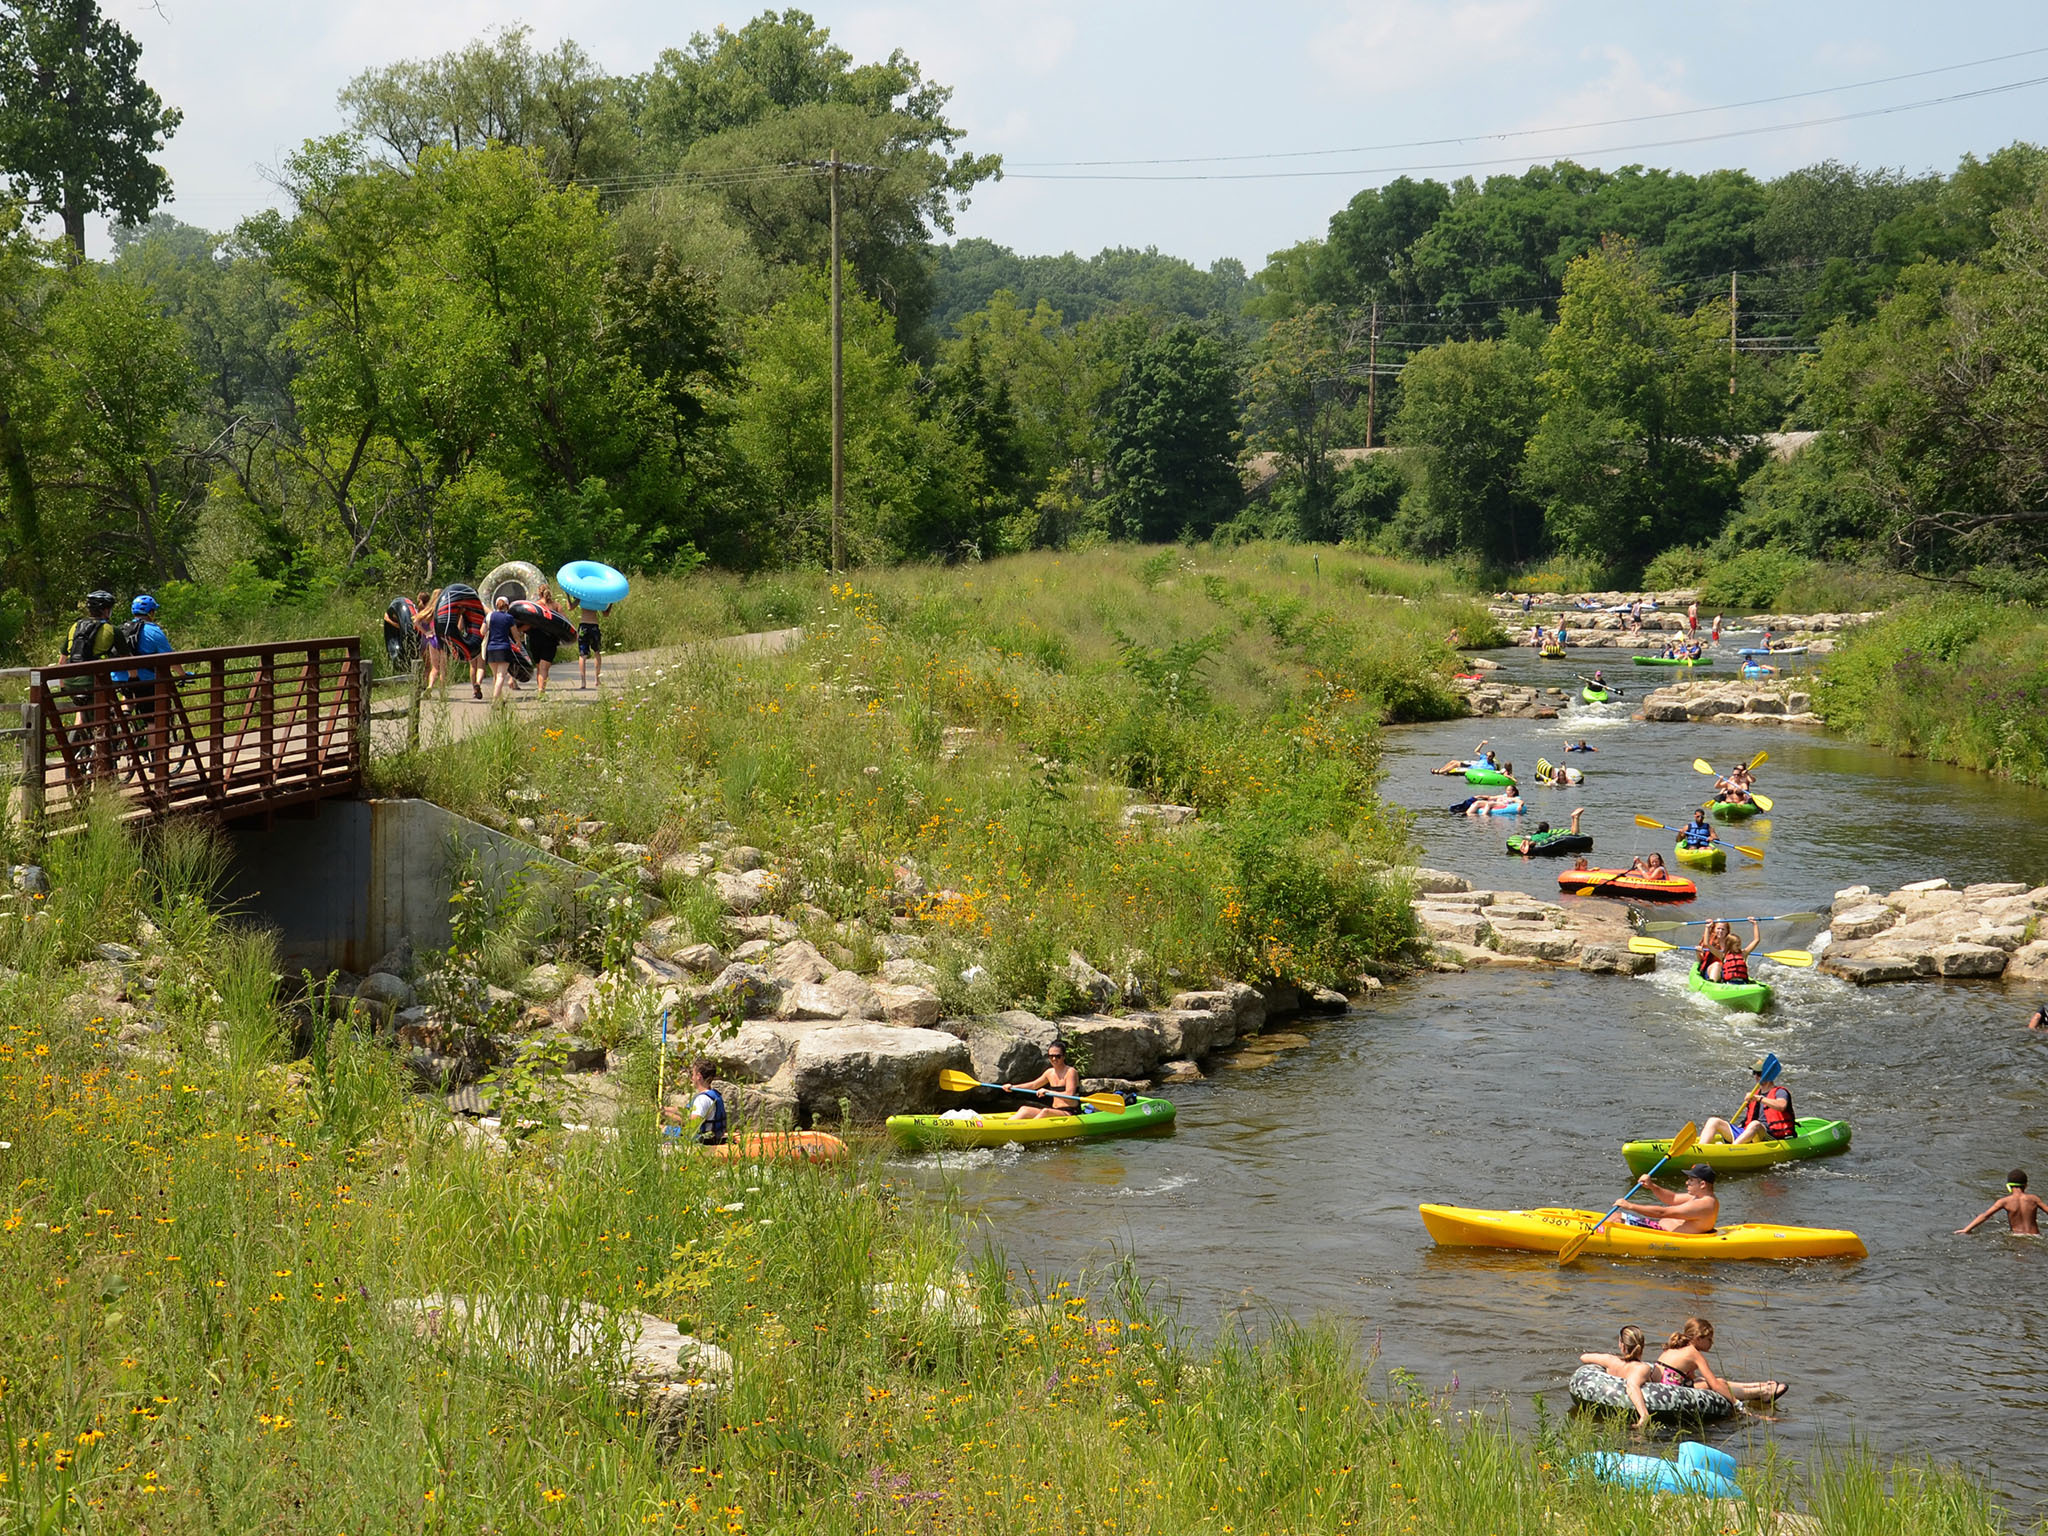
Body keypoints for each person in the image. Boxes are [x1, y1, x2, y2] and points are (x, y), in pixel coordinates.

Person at [1648, 1318, 1788, 1407]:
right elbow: (1714, 1385)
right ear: (1698, 1338)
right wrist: (1736, 1403)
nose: (1711, 1343)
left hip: (1661, 1386)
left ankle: (1762, 1387)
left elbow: (1688, 1377)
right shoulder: (1694, 1355)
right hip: (1669, 1391)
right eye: (1709, 1339)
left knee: (1715, 1381)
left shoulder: (1677, 1347)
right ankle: (1762, 1391)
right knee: (1718, 1383)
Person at [112, 595, 179, 756]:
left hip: (118, 678)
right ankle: (156, 761)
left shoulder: (122, 629)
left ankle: (124, 722)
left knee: (127, 696)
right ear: (151, 612)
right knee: (152, 720)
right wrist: (183, 674)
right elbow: (171, 658)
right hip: (145, 680)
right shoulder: (154, 631)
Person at [1701, 1052, 1791, 1146]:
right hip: (1749, 1132)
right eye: (1754, 1073)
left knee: (1755, 1124)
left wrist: (1759, 1099)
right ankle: (1701, 1149)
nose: (1756, 1076)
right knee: (1714, 1121)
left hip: (1769, 1135)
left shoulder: (1780, 1092)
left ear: (1768, 1075)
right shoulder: (1755, 1094)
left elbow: (1782, 1106)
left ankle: (1732, 1149)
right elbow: (1749, 1118)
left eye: (1759, 1073)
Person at [1614, 1163, 1719, 1233]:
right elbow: (1672, 1198)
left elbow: (1662, 1213)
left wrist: (1630, 1206)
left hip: (1663, 1235)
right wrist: (1652, 1186)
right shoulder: (1700, 1197)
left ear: (1702, 1184)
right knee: (1616, 1216)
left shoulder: (1703, 1204)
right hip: (1659, 1228)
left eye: (1691, 1180)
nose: (1687, 1183)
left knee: (1616, 1220)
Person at [659, 1061, 728, 1146]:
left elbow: (692, 1124)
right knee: (662, 1127)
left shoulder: (702, 1099)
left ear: (699, 1076)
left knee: (659, 1129)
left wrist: (667, 1115)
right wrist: (664, 1109)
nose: (692, 1078)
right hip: (710, 1136)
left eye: (693, 1074)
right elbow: (686, 1112)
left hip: (702, 1139)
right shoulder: (712, 1094)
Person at [1957, 1170, 2045, 1236]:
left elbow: (1985, 1215)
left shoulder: (2004, 1201)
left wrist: (1966, 1229)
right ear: (2026, 1185)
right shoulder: (2034, 1199)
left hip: (2016, 1236)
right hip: (2035, 1236)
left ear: (2008, 1186)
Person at [1011, 1041, 1083, 1120]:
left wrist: (1049, 1092)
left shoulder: (1070, 1072)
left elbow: (1069, 1096)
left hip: (1070, 1112)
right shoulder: (1049, 1072)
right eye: (1051, 1056)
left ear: (1064, 1056)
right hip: (1055, 1110)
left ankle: (1028, 1129)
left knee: (1045, 1111)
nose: (1054, 1059)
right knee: (1024, 1109)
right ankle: (1008, 1127)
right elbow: (1033, 1085)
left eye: (1057, 1056)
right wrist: (1012, 1087)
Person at [484, 595, 519, 703]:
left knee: (496, 676)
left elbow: (482, 631)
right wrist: (518, 643)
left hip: (490, 649)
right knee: (501, 676)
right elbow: (515, 634)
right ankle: (495, 700)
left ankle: (499, 699)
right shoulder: (509, 618)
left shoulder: (489, 616)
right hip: (503, 648)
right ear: (507, 606)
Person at [576, 592, 614, 689]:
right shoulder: (597, 595)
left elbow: (570, 607)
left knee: (582, 654)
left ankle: (583, 682)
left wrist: (568, 596)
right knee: (597, 652)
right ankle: (597, 680)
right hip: (594, 626)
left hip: (583, 626)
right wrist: (611, 603)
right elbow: (606, 614)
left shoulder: (582, 594)